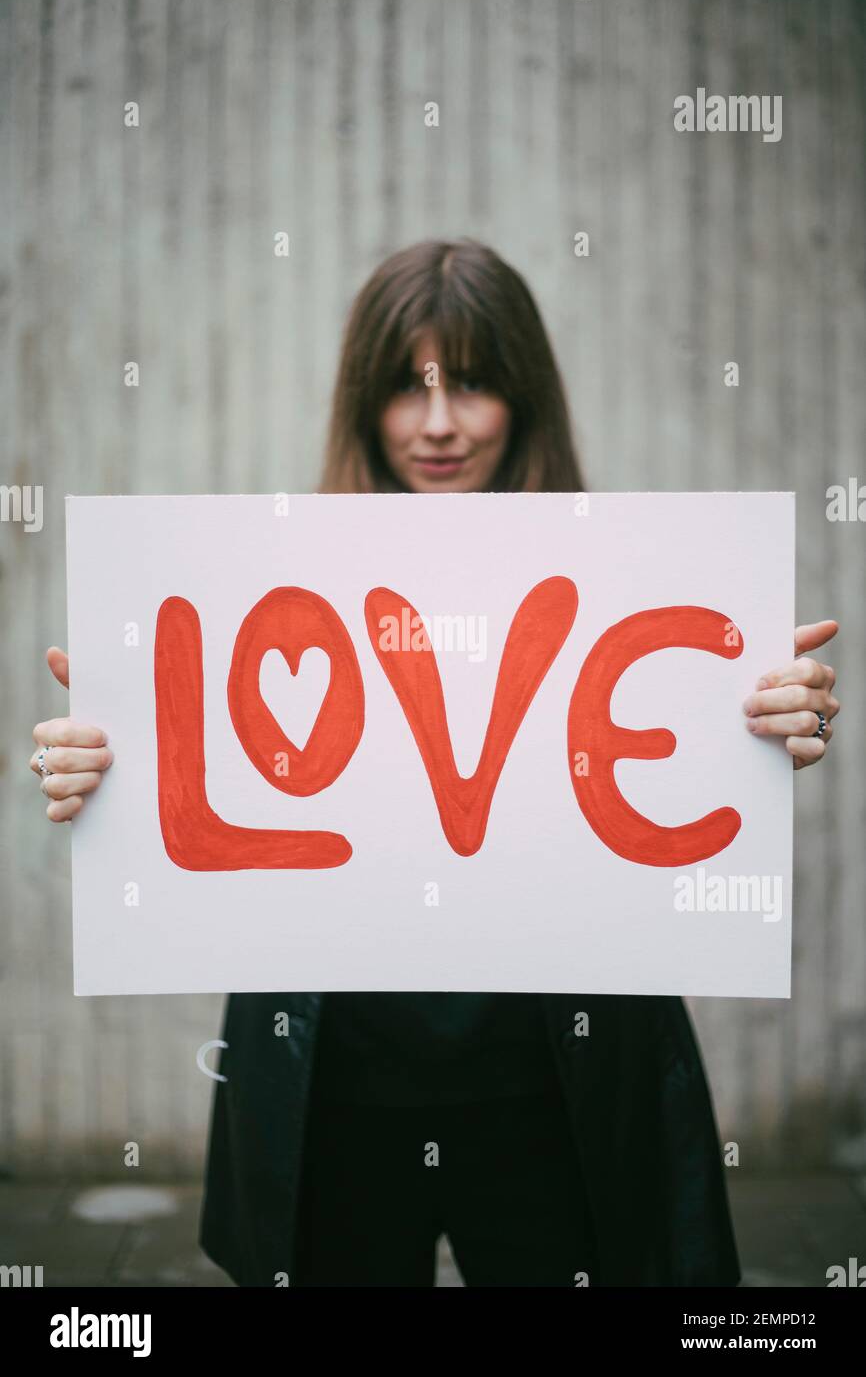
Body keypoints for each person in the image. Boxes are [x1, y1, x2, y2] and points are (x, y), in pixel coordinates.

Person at [30, 239, 840, 1287]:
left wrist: (772, 723)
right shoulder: (261, 582)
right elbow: (201, 784)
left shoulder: (630, 581)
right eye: (408, 389)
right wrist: (102, 769)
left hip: (554, 1088)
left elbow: (681, 769)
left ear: (524, 396)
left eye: (472, 381)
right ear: (363, 405)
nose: (440, 423)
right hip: (339, 1093)